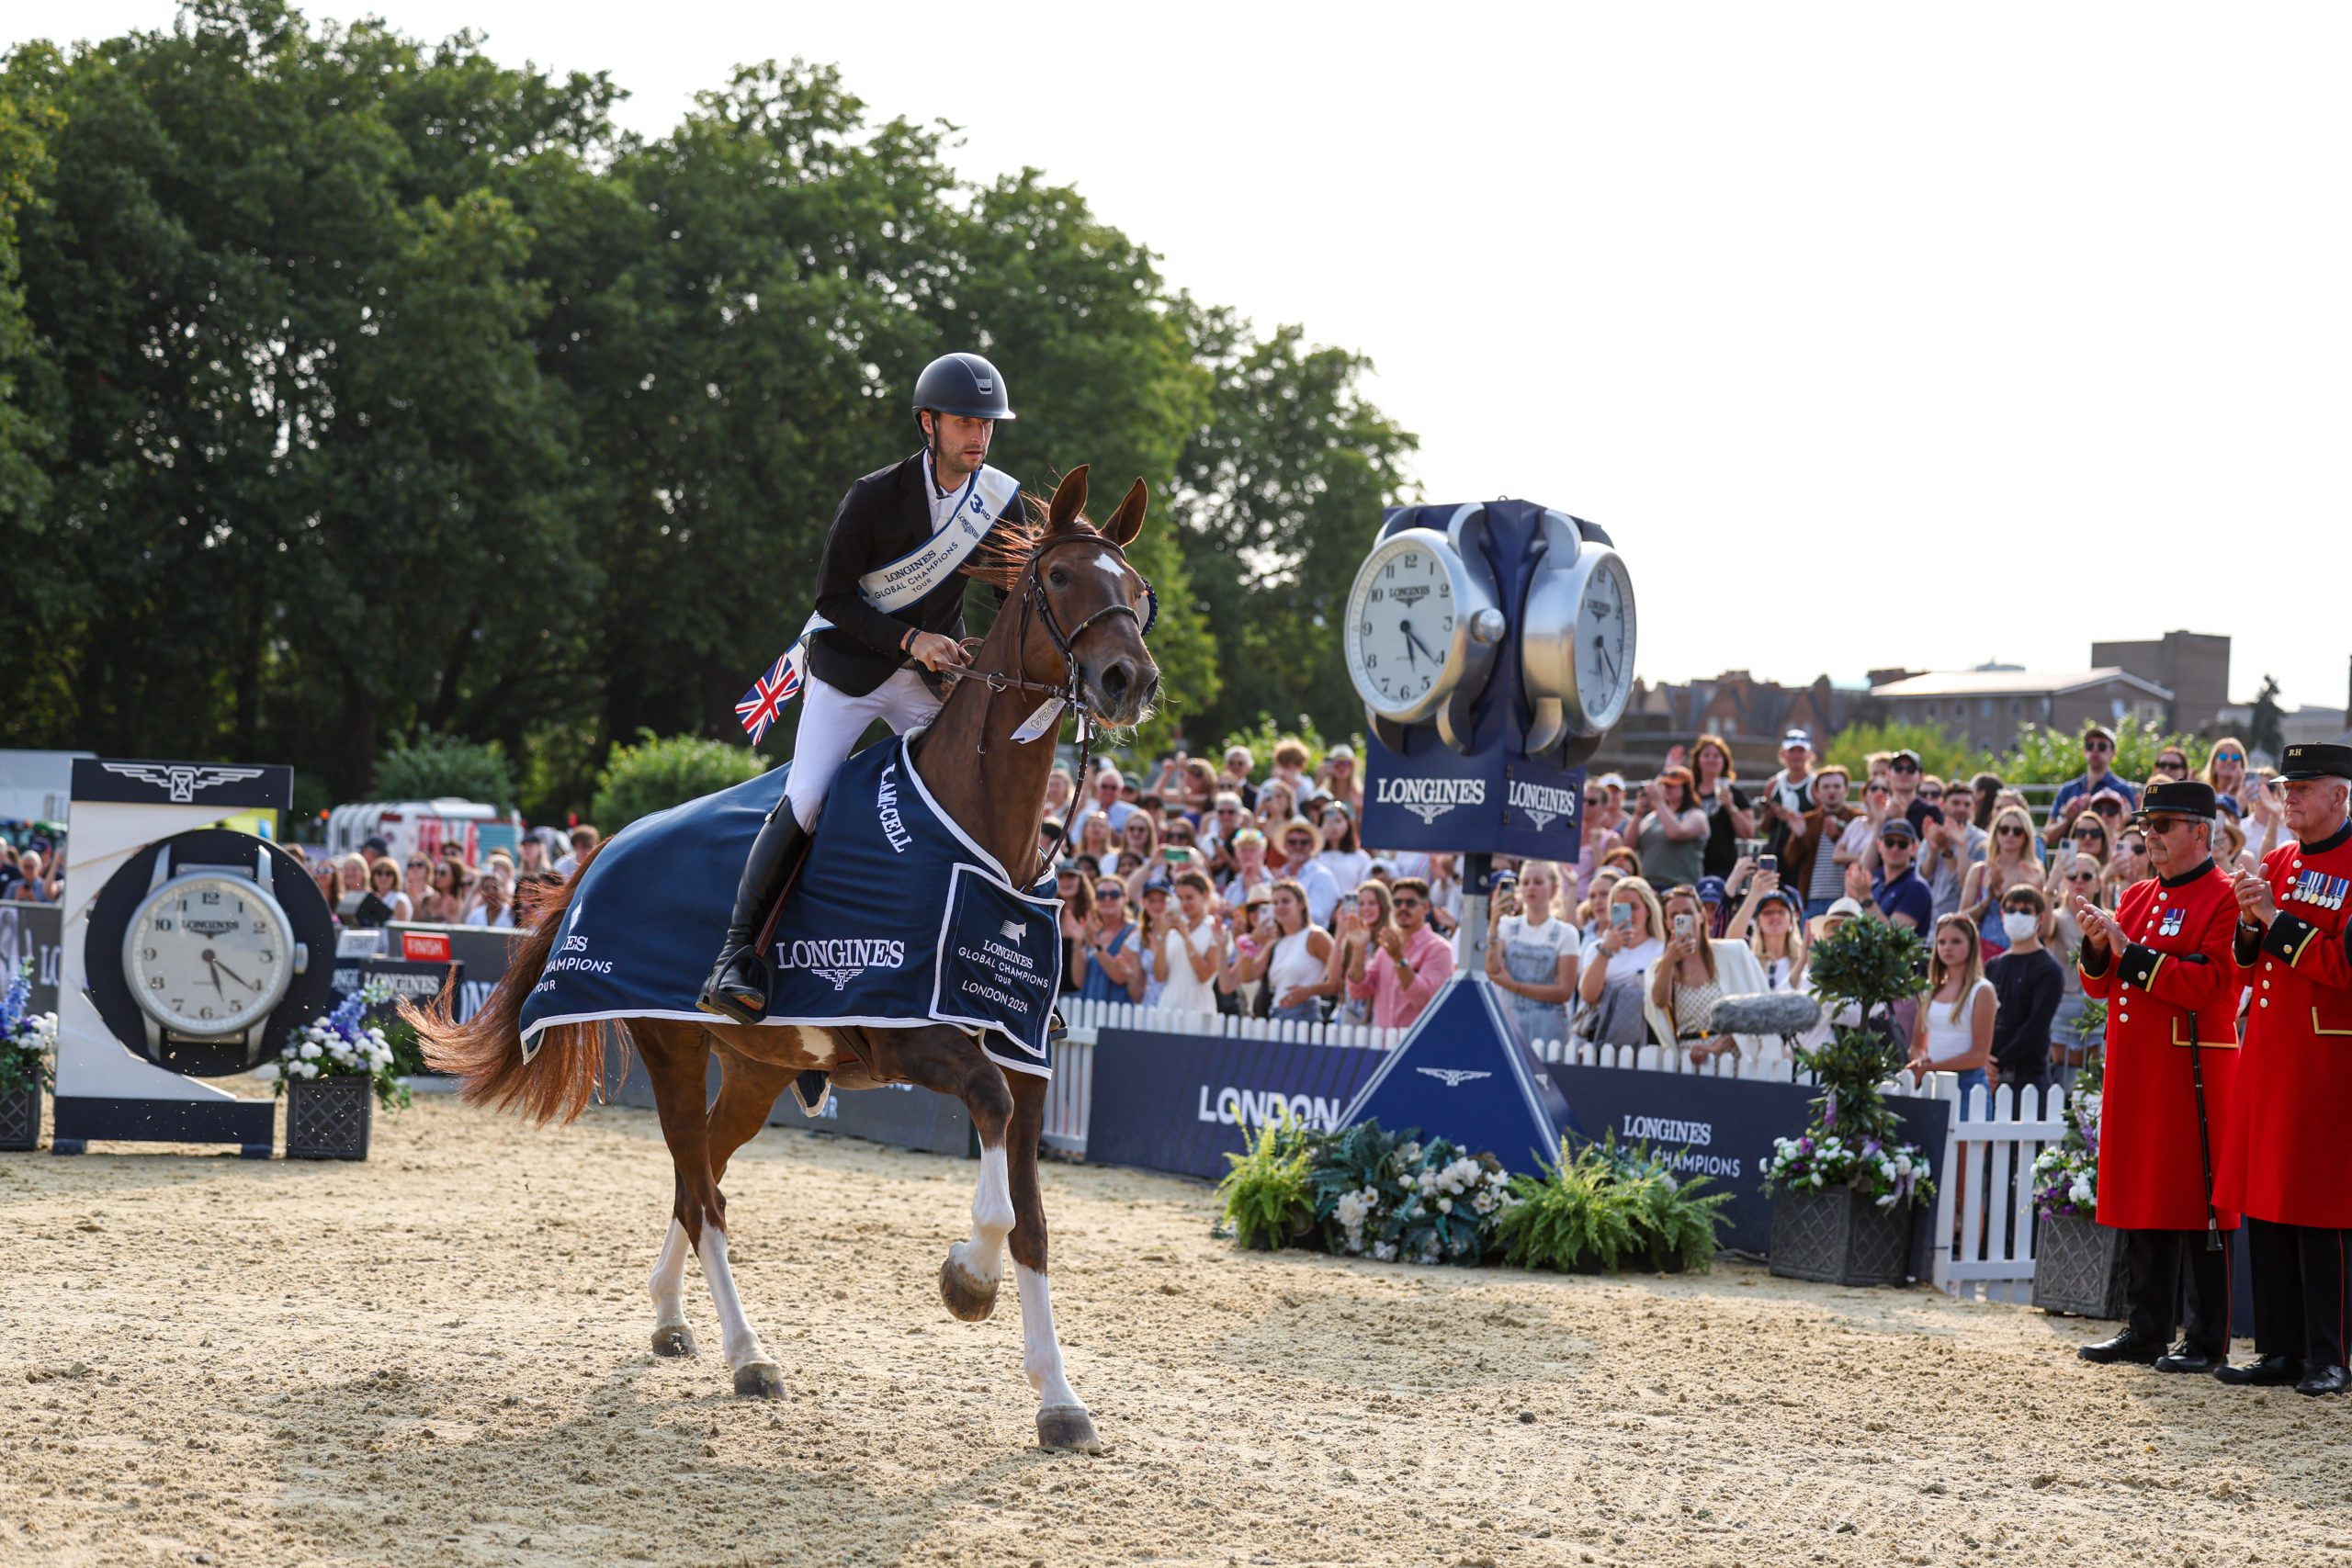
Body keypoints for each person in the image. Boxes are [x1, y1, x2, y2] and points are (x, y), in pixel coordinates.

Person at [698, 352, 1023, 1021]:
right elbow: (834, 599)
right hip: (849, 673)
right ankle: (735, 956)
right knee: (811, 794)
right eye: (966, 421)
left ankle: (1000, 964)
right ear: (928, 423)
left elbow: (1022, 593)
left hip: (928, 681)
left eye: (988, 425)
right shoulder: (874, 494)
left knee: (974, 797)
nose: (980, 437)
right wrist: (911, 640)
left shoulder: (1000, 500)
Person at [2072, 778, 2244, 1375]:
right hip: (2140, 1068)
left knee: (2200, 1208)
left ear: (2201, 831)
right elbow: (2102, 983)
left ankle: (2205, 1336)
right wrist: (2098, 946)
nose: (2153, 835)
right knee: (2145, 1201)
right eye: (2148, 825)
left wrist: (2129, 951)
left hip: (2189, 1070)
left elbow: (2213, 982)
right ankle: (2146, 1327)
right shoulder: (2138, 896)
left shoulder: (2222, 896)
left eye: (2165, 824)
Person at [2212, 742, 2352, 1395]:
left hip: (2327, 1060)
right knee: (2267, 1204)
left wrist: (2271, 916)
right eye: (2286, 786)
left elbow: (2343, 966)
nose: (2290, 796)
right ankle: (2279, 1350)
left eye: (2305, 786)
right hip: (2270, 1056)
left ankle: (2331, 1354)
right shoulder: (2278, 860)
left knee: (2322, 1212)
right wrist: (2248, 922)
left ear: (2339, 795)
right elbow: (2248, 966)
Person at [1644, 881, 1772, 1066]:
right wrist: (1669, 961)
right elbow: (1659, 1003)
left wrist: (1716, 1046)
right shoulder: (1661, 966)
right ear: (1667, 923)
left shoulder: (1731, 954)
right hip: (1688, 1060)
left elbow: (1756, 1010)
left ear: (1701, 916)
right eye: (1674, 916)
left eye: (1688, 913)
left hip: (1734, 1059)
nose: (1682, 919)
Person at [1486, 860, 1579, 1049]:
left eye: (1538, 882)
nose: (1531, 888)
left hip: (1548, 1027)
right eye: (1526, 882)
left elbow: (1564, 992)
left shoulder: (1566, 933)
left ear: (1553, 889)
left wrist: (1516, 986)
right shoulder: (1506, 926)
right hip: (1510, 1022)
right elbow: (1492, 968)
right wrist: (1494, 922)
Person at [1983, 884, 2062, 1095]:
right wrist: (1984, 1060)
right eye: (2011, 910)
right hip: (1988, 1075)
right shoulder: (1993, 966)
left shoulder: (2048, 969)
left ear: (2040, 918)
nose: (2017, 916)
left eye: (2025, 911)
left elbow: (2036, 1026)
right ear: (2002, 915)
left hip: (2028, 1077)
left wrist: (1996, 1061)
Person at [1345, 875, 1451, 1031]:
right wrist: (1358, 948)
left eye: (1410, 903)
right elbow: (1358, 991)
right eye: (1397, 902)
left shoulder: (1439, 949)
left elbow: (1423, 999)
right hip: (1382, 1043)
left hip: (1417, 1044)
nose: (1403, 907)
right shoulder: (1386, 948)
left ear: (1426, 908)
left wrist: (1398, 958)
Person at [1908, 914, 1995, 1100]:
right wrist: (1921, 1061)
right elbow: (1916, 1045)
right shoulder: (1929, 990)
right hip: (1932, 1083)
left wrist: (1930, 1067)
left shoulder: (1982, 990)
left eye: (1956, 941)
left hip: (1967, 1085)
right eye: (1941, 942)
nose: (1947, 947)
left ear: (1971, 945)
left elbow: (1979, 1056)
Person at [1578, 878, 1668, 1051]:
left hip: (1650, 1040)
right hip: (1605, 1037)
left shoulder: (1661, 949)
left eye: (1633, 907)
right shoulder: (1596, 949)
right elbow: (1589, 995)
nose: (1628, 914)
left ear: (1648, 909)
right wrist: (1606, 950)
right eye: (1620, 908)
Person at [1236, 880, 1333, 1024]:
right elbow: (1247, 976)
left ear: (1301, 904)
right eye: (1275, 903)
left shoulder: (1315, 936)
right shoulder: (1276, 942)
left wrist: (1307, 992)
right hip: (1276, 1014)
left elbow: (1339, 979)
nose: (1279, 907)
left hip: (1304, 1016)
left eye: (1285, 901)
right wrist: (1253, 943)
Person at [1963, 805, 2041, 957]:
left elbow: (2041, 924)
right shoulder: (1979, 871)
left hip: (2021, 953)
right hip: (1981, 951)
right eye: (2004, 829)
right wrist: (1988, 899)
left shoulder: (2034, 873)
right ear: (1996, 833)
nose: (2010, 835)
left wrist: (2032, 887)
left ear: (2026, 836)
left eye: (2017, 831)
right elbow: (1962, 918)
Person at [2045, 724, 2142, 849]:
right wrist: (2068, 820)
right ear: (2085, 752)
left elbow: (2133, 841)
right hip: (2072, 860)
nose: (2095, 749)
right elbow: (2047, 836)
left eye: (2102, 746)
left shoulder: (2123, 790)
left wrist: (2125, 821)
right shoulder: (2068, 790)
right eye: (2090, 746)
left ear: (2113, 753)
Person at [1150, 871, 1227, 1016]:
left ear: (1204, 895)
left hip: (1199, 1006)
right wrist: (1162, 937)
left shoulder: (1215, 929)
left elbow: (1204, 975)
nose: (1184, 903)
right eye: (1180, 898)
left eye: (1189, 897)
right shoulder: (1174, 930)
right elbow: (1160, 976)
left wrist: (1186, 938)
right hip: (1168, 1004)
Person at [1787, 766, 1860, 919]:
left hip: (1846, 898)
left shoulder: (1858, 820)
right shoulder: (1808, 820)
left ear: (1846, 790)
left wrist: (1836, 836)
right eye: (1826, 787)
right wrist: (1798, 837)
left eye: (1837, 786)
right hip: (1813, 898)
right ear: (1817, 792)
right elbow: (1790, 859)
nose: (1831, 791)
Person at [1725, 873, 1807, 994]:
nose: (1775, 916)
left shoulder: (1803, 960)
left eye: (1781, 911)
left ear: (1791, 921)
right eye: (1767, 912)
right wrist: (1754, 895)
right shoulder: (1750, 961)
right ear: (1758, 923)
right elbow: (1730, 942)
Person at [1917, 778, 1985, 922]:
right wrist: (1934, 849)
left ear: (1973, 808)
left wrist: (1958, 847)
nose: (1961, 808)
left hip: (1964, 923)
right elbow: (1922, 877)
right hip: (1932, 922)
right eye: (1955, 803)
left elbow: (1966, 885)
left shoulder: (1982, 841)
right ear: (1942, 805)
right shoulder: (1934, 833)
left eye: (1967, 804)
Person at [1326, 880, 1392, 1028]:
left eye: (1371, 903)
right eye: (1361, 904)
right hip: (1350, 1014)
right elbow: (1333, 980)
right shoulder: (1351, 939)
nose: (1366, 908)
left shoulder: (1391, 939)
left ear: (1383, 906)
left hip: (1378, 1017)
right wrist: (1339, 936)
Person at [1629, 767, 1707, 891]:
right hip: (1649, 886)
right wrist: (1638, 813)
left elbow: (1676, 833)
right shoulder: (1652, 817)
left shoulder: (1696, 816)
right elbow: (1629, 844)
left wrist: (1659, 802)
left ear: (1685, 789)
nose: (1666, 789)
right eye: (1664, 785)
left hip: (1680, 888)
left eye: (1672, 786)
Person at [1688, 736, 1754, 880]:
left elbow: (1748, 832)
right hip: (1691, 867)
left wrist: (1731, 807)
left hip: (1724, 869)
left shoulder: (1735, 793)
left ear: (1724, 761)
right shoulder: (1689, 793)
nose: (1711, 759)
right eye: (1706, 755)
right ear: (1698, 761)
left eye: (1716, 756)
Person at [1074, 877, 1145, 1004]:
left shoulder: (1133, 932)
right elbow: (1079, 981)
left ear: (1125, 899)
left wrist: (1095, 945)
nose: (1107, 899)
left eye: (1114, 894)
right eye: (1101, 895)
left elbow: (1120, 977)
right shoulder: (1094, 932)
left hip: (1118, 1014)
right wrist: (1078, 941)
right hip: (1089, 1010)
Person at [1759, 729, 1817, 860]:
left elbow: (1822, 820)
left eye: (1801, 751)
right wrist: (1771, 814)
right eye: (1792, 751)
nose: (1796, 755)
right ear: (1783, 754)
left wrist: (1795, 818)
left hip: (1804, 852)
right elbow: (1765, 828)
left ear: (1808, 755)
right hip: (1777, 850)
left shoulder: (1815, 785)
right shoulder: (1773, 785)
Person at [1274, 818, 1341, 930]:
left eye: (1304, 842)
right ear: (1285, 845)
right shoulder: (1279, 875)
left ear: (1312, 846)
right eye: (1292, 842)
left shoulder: (1323, 876)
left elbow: (1317, 917)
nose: (1298, 846)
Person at [1867, 818, 1932, 932]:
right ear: (1879, 845)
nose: (1895, 849)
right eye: (1889, 843)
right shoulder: (1876, 883)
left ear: (1914, 848)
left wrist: (1865, 899)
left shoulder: (1917, 887)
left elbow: (1895, 938)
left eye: (1902, 844)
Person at [2201, 737, 2251, 816]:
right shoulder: (2204, 796)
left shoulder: (2250, 797)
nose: (2229, 760)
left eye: (2235, 757)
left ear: (2242, 765)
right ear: (2214, 764)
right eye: (2223, 756)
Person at [1317, 744, 1363, 818]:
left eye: (1346, 763)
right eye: (1337, 763)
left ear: (1352, 767)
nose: (1341, 767)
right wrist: (1320, 777)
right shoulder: (1323, 793)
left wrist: (1358, 810)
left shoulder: (1360, 794)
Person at [368, 858, 414, 922]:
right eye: (379, 873)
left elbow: (399, 930)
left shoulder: (399, 900)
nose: (383, 877)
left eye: (388, 873)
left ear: (395, 877)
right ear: (373, 876)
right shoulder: (371, 898)